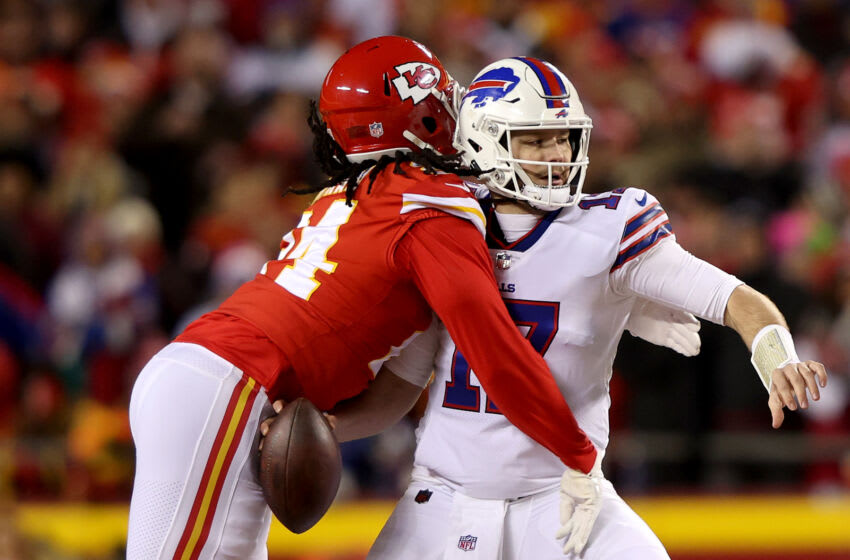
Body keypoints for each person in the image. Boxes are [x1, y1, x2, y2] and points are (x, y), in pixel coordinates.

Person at [308, 56, 829, 559]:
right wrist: (324, 427)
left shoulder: (610, 229)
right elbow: (403, 384)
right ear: (484, 141)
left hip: (563, 497)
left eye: (563, 137)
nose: (557, 154)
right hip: (443, 499)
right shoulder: (441, 230)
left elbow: (736, 298)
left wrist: (776, 358)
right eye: (535, 139)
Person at [126, 39, 602, 559]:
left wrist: (333, 426)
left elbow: (400, 383)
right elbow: (499, 358)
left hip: (210, 381)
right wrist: (580, 456)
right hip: (235, 385)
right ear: (421, 118)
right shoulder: (433, 209)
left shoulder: (362, 196)